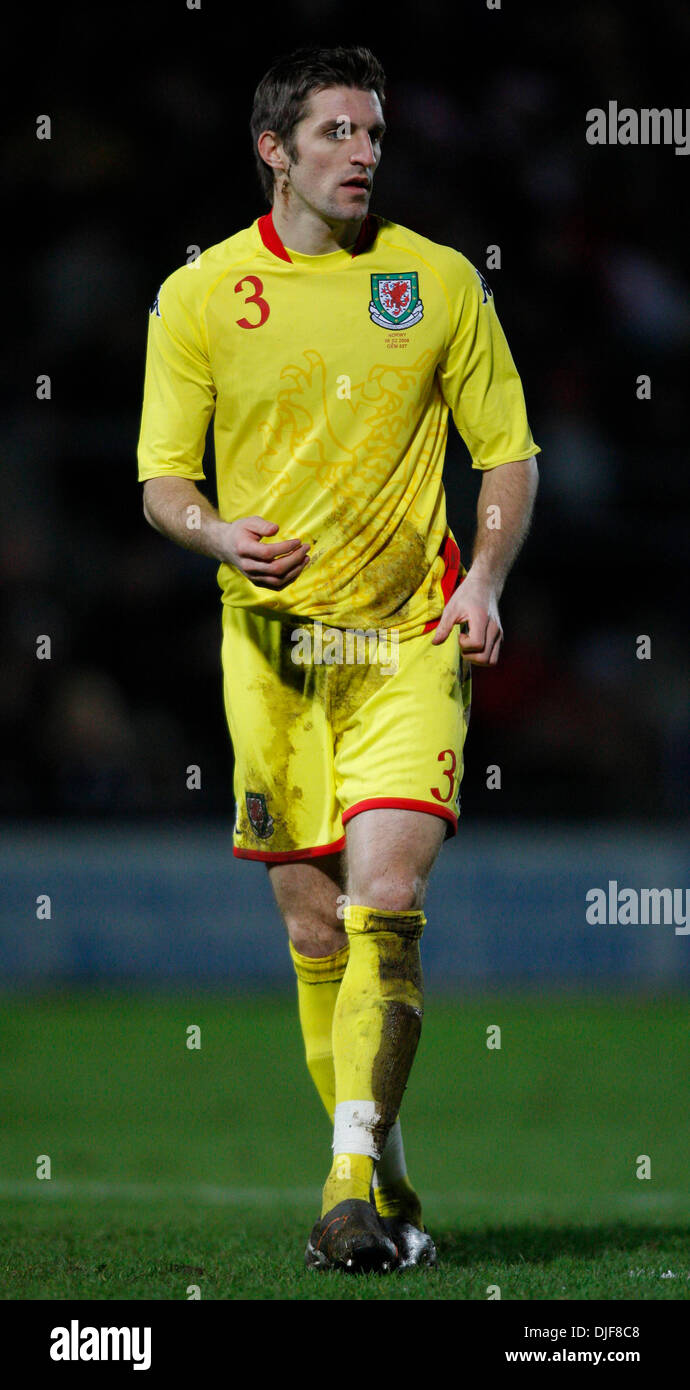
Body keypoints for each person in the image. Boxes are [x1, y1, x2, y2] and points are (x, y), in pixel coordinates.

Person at [137, 44, 540, 1275]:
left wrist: (482, 576)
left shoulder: (438, 283)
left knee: (389, 902)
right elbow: (162, 479)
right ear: (276, 150)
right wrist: (215, 531)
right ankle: (387, 1172)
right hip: (272, 657)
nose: (365, 154)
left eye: (375, 134)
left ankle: (344, 1183)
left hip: (406, 642)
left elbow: (508, 454)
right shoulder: (199, 294)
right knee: (317, 933)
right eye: (338, 134)